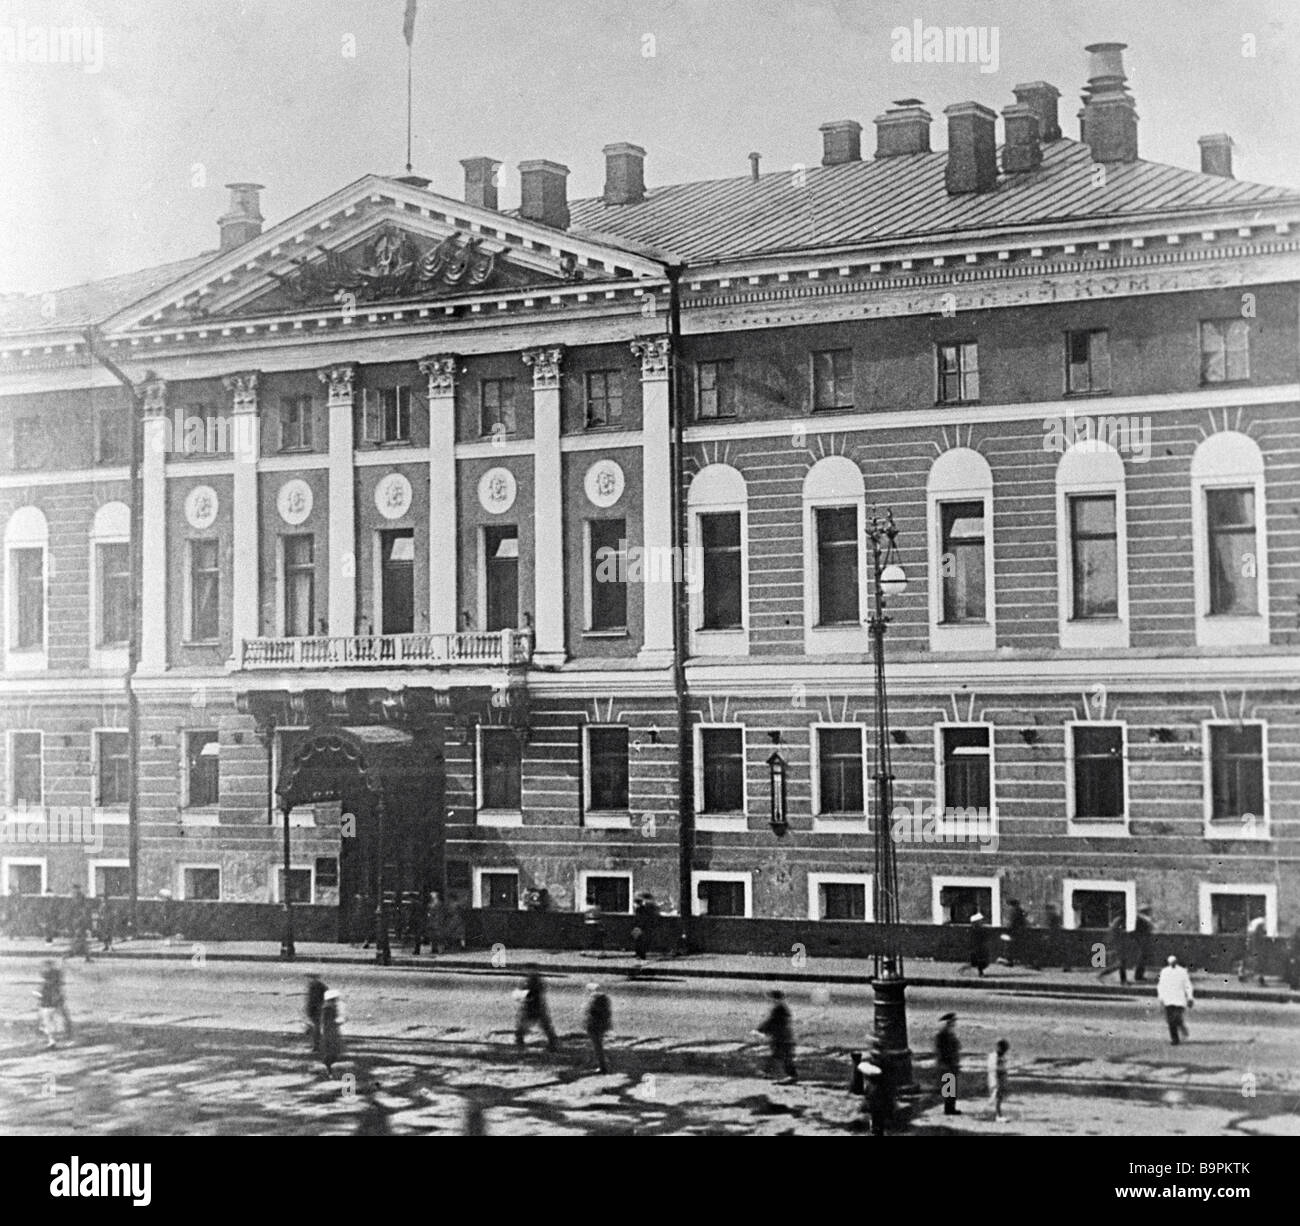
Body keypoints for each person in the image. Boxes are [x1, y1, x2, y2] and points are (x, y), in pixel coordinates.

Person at [755, 990, 798, 1084]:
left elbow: (771, 1021)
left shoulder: (778, 1008)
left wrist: (760, 1030)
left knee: (781, 1055)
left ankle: (791, 1076)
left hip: (781, 1037)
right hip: (784, 1036)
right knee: (779, 1055)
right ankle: (768, 1072)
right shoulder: (782, 1007)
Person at [514, 971, 559, 1052]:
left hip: (531, 1007)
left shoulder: (528, 983)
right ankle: (553, 1042)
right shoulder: (537, 982)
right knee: (545, 1025)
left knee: (523, 1026)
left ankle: (519, 1041)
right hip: (536, 1007)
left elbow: (524, 994)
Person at [1156, 955, 1194, 1045]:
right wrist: (1161, 998)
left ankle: (1181, 1025)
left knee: (1176, 1018)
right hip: (1168, 999)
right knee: (1170, 1021)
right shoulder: (1164, 972)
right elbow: (1161, 986)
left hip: (1179, 999)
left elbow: (1188, 985)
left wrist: (1190, 997)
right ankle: (1175, 1038)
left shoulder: (1182, 972)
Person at [37, 959, 71, 1046]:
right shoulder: (57, 984)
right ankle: (66, 1038)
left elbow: (40, 995)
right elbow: (61, 972)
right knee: (61, 1021)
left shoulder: (45, 985)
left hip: (46, 1006)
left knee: (47, 1023)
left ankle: (52, 1040)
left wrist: (37, 995)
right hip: (56, 1005)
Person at [583, 982, 612, 1073]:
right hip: (602, 1026)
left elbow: (589, 1014)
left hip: (594, 1027)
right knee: (597, 1045)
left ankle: (602, 1066)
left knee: (597, 1046)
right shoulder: (605, 999)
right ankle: (599, 1063)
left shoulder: (593, 999)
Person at [935, 1012, 961, 1115]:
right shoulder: (943, 1034)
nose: (954, 1023)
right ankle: (948, 1109)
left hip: (950, 1063)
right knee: (949, 1088)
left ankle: (950, 1108)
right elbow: (943, 1050)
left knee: (951, 1088)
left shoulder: (948, 1033)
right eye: (953, 1021)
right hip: (947, 1064)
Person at [1098, 912, 1129, 984]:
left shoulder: (1118, 921)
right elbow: (1115, 935)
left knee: (1122, 963)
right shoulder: (1119, 922)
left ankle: (1123, 980)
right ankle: (1102, 974)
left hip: (1117, 945)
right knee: (1119, 964)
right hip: (1116, 946)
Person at [319, 988, 344, 1076]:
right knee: (332, 1052)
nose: (336, 1001)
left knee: (331, 1052)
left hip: (329, 1032)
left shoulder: (327, 1008)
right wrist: (338, 1023)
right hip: (330, 1033)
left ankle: (329, 1070)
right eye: (335, 999)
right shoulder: (329, 1009)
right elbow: (329, 1022)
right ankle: (329, 1070)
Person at [67, 885, 93, 963]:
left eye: (74, 889)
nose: (73, 891)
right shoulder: (78, 897)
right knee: (81, 939)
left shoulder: (78, 898)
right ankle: (74, 952)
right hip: (78, 920)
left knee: (79, 939)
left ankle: (72, 952)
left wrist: (79, 919)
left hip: (79, 921)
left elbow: (81, 909)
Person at [1242, 915, 1268, 986]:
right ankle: (1260, 980)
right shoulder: (1260, 925)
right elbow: (1258, 942)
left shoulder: (1254, 929)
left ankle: (1245, 976)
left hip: (1255, 950)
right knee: (1258, 965)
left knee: (1254, 964)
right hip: (1258, 951)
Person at [305, 974, 327, 1054]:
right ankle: (317, 1045)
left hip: (316, 1010)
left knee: (316, 1028)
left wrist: (309, 1010)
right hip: (318, 1009)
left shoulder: (314, 987)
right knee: (316, 1028)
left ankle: (316, 1046)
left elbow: (312, 1001)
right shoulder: (321, 986)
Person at [989, 1038, 1010, 1121]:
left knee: (999, 1097)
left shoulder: (999, 1056)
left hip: (1000, 1080)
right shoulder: (996, 1057)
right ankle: (998, 1115)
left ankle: (997, 1114)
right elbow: (995, 1069)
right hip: (997, 1080)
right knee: (998, 1097)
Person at [1133, 907, 1155, 981]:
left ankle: (1139, 975)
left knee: (1142, 958)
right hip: (1143, 940)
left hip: (1142, 941)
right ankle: (1138, 976)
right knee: (1142, 958)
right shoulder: (1142, 919)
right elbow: (1150, 928)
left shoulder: (1140, 919)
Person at [968, 912, 990, 977]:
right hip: (978, 948)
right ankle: (981, 973)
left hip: (980, 947)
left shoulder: (977, 929)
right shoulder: (976, 930)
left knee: (983, 960)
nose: (982, 922)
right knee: (981, 960)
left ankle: (980, 972)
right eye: (980, 921)